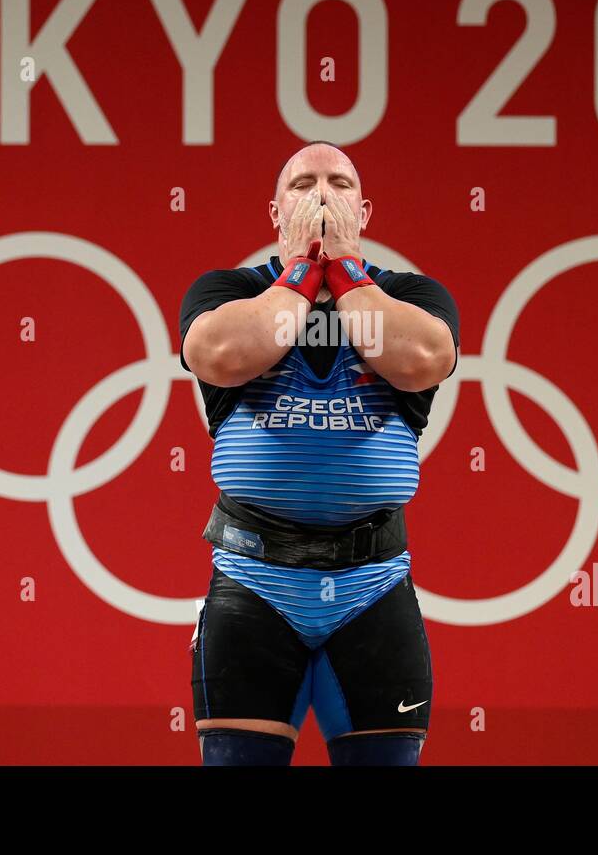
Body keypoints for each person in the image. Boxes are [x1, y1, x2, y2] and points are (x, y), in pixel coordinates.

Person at [179, 141, 460, 765]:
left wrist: (345, 271)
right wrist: (305, 273)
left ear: (365, 212)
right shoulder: (225, 290)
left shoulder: (415, 296)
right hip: (253, 587)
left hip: (372, 589)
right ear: (275, 212)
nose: (323, 195)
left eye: (339, 183)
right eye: (303, 185)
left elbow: (420, 362)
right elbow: (221, 356)